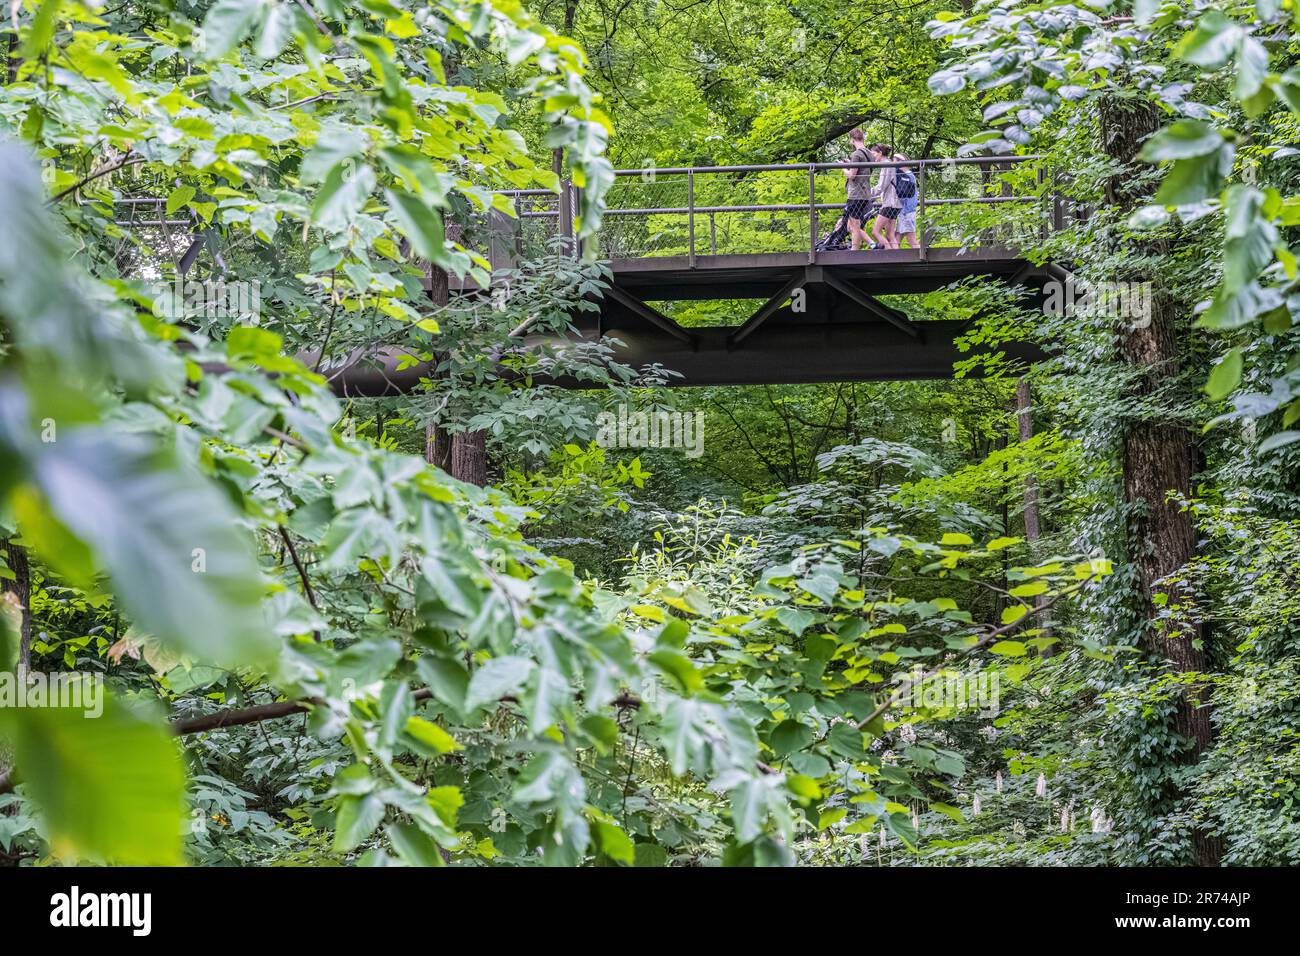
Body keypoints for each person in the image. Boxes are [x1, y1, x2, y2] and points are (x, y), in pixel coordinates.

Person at [842, 129, 878, 252]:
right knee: (854, 224)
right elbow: (864, 170)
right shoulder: (869, 154)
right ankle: (855, 248)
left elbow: (852, 175)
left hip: (855, 194)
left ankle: (854, 250)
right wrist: (850, 163)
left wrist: (843, 169)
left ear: (852, 140)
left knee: (854, 225)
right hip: (865, 193)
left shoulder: (856, 154)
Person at [871, 143, 900, 249]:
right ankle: (897, 257)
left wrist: (867, 193)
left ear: (880, 153)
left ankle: (890, 255)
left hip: (889, 204)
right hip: (895, 204)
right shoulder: (889, 164)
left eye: (873, 154)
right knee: (889, 235)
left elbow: (881, 186)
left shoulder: (887, 165)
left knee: (876, 231)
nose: (872, 156)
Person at [893, 153, 918, 249]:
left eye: (895, 162)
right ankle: (894, 260)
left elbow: (908, 196)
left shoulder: (908, 177)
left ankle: (924, 260)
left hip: (907, 212)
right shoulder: (905, 176)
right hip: (903, 212)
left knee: (911, 240)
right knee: (896, 238)